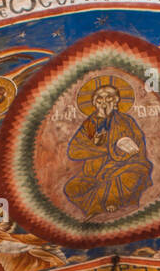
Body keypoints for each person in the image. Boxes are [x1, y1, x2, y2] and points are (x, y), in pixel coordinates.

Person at [64, 80, 152, 218]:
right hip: (94, 174)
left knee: (133, 175)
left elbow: (138, 145)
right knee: (71, 188)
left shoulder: (125, 120)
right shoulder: (89, 125)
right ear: (94, 102)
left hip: (123, 167)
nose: (104, 101)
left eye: (109, 97)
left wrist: (124, 148)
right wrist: (100, 147)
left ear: (116, 100)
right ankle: (106, 201)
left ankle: (106, 204)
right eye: (99, 98)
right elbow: (73, 151)